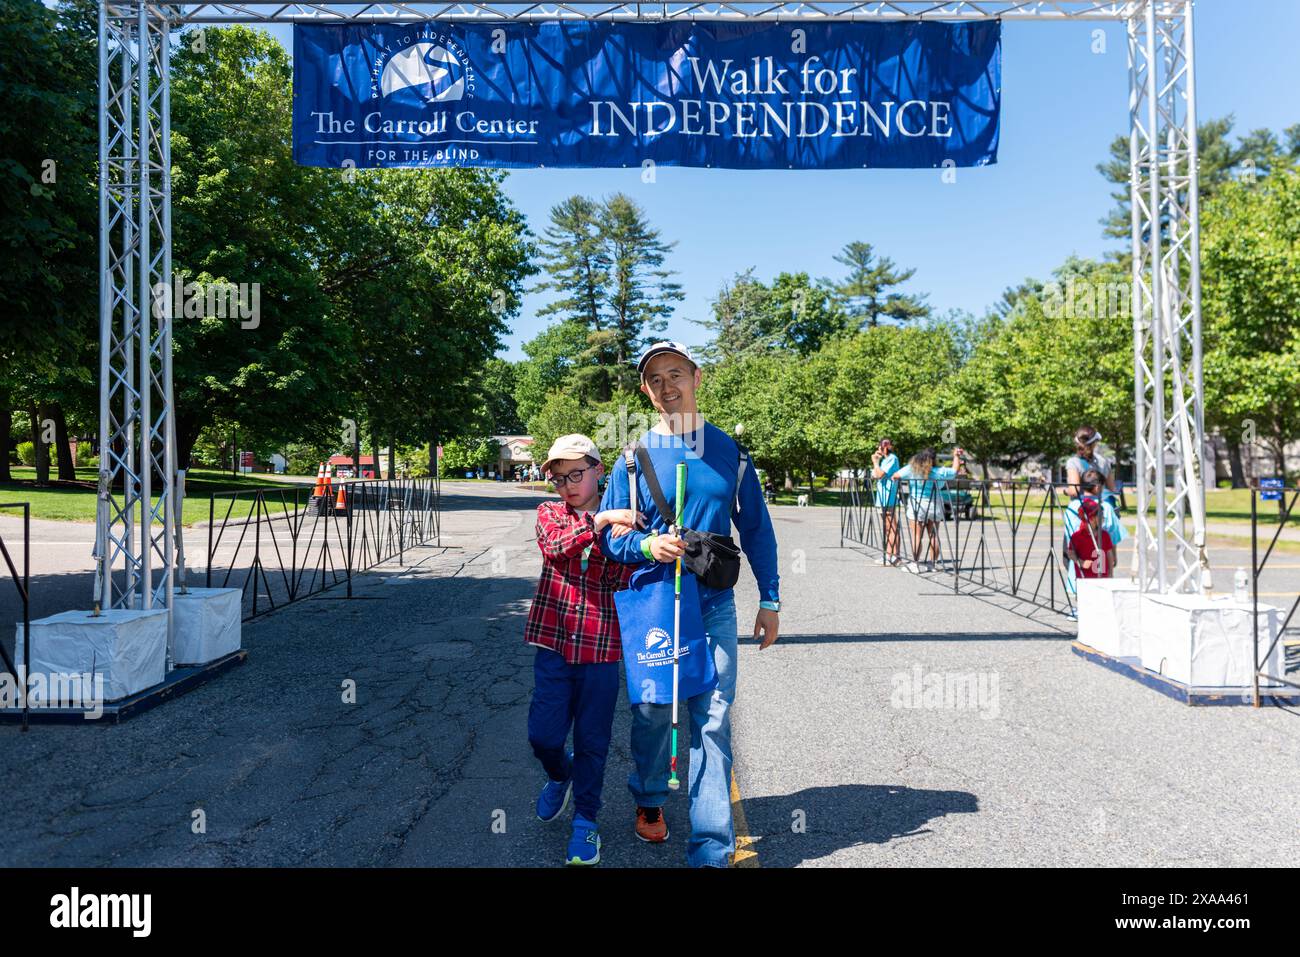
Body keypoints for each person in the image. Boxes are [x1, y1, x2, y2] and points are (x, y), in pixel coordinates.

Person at [597, 340, 780, 868]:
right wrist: (646, 544)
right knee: (654, 711)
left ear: (698, 377)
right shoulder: (631, 460)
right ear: (644, 391)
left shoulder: (730, 453)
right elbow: (610, 538)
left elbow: (757, 528)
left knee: (712, 719)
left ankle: (710, 848)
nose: (667, 385)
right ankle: (651, 797)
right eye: (655, 379)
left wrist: (769, 598)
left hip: (714, 605)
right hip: (655, 602)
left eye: (676, 373)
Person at [524, 434, 643, 866]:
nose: (568, 485)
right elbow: (556, 547)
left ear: (598, 469)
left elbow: (630, 574)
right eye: (559, 478)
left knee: (593, 741)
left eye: (576, 474)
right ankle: (559, 774)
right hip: (555, 643)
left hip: (601, 645)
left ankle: (586, 823)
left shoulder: (623, 519)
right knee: (543, 736)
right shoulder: (550, 512)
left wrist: (635, 539)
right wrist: (600, 521)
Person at [882, 447, 967, 573]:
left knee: (917, 535)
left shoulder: (912, 469)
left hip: (917, 505)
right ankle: (933, 564)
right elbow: (954, 471)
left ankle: (915, 564)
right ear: (934, 459)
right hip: (935, 504)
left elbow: (895, 476)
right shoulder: (940, 471)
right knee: (934, 535)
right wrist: (956, 456)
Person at [1065, 426, 1119, 506]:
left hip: (1083, 511)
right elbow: (1112, 488)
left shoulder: (1073, 463)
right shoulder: (1104, 461)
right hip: (1103, 509)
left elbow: (1074, 491)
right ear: (1094, 444)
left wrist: (1065, 491)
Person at [1066, 498, 1115, 581]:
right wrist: (1081, 562)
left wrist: (1111, 573)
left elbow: (1109, 555)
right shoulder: (1076, 537)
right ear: (1091, 519)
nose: (1103, 519)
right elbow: (1070, 553)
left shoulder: (1105, 535)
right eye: (1100, 516)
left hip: (1103, 580)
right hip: (1084, 580)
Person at [869, 437, 901, 566]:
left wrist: (875, 463)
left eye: (881, 447)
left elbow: (880, 474)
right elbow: (875, 474)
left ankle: (895, 556)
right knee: (887, 528)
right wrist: (877, 464)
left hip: (889, 497)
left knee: (891, 527)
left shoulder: (892, 459)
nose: (878, 449)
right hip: (882, 497)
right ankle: (889, 555)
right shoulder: (885, 460)